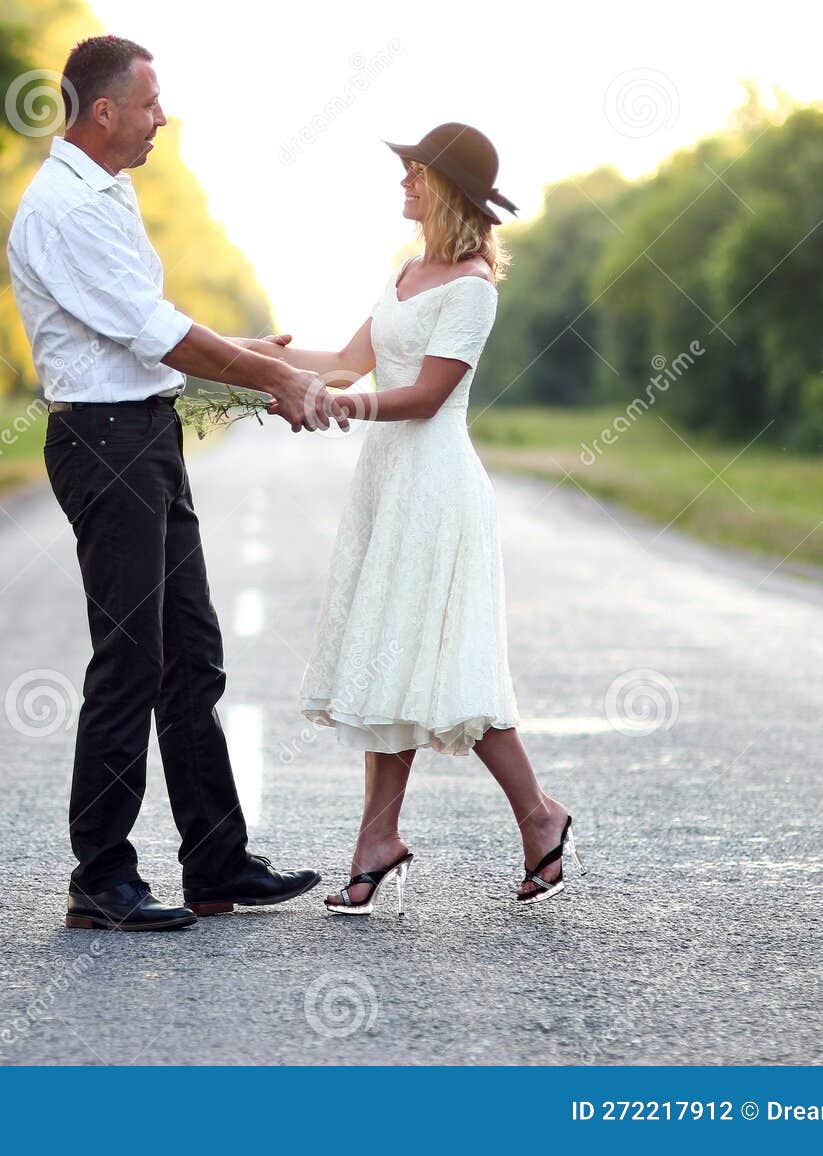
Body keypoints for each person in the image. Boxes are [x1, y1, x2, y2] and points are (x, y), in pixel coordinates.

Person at [6, 35, 331, 931]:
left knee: (191, 652)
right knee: (131, 661)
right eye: (150, 104)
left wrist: (243, 358)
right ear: (104, 111)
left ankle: (217, 863)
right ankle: (100, 876)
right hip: (106, 443)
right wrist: (274, 378)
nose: (162, 118)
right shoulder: (63, 209)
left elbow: (147, 333)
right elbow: (153, 330)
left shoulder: (108, 192)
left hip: (145, 433)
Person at [238, 123, 583, 913]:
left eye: (415, 172)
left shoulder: (472, 287)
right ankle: (384, 840)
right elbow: (344, 362)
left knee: (441, 658)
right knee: (392, 655)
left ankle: (535, 814)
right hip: (387, 483)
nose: (403, 183)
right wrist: (249, 363)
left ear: (446, 188)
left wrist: (337, 406)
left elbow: (426, 397)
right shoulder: (407, 271)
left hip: (436, 488)